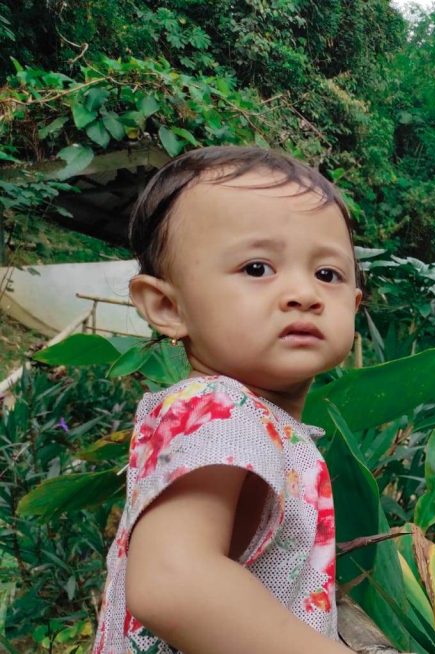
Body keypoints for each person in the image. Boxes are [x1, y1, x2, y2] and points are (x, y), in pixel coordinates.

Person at [91, 146, 364, 654]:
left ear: (354, 302)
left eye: (328, 274)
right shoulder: (218, 407)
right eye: (258, 268)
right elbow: (175, 581)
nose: (304, 292)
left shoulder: (252, 417)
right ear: (168, 307)